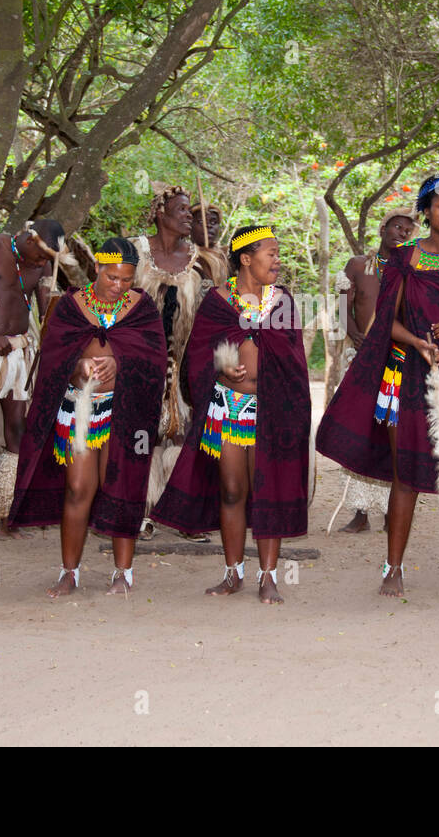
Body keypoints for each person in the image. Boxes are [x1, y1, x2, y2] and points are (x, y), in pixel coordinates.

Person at [316, 173, 439, 600]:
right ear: (426, 211)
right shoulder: (406, 257)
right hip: (408, 373)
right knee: (406, 474)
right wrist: (416, 340)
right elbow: (386, 322)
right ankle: (392, 568)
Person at [150, 225, 312, 604]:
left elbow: (293, 360)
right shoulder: (218, 302)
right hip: (228, 408)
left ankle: (268, 576)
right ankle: (233, 573)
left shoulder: (282, 301)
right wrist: (221, 370)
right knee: (232, 490)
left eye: (277, 253)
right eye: (269, 253)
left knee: (268, 488)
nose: (277, 260)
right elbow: (198, 356)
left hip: (272, 410)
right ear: (245, 258)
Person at [7, 237, 167, 596]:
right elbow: (52, 358)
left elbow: (154, 361)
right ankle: (69, 572)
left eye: (127, 279)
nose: (119, 286)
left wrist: (118, 362)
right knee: (78, 489)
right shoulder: (69, 306)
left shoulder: (141, 308)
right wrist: (77, 366)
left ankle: (123, 573)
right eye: (112, 277)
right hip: (79, 407)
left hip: (125, 411)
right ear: (97, 268)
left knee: (121, 485)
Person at [0, 219, 66, 543]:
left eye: (49, 258)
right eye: (41, 255)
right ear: (30, 239)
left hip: (19, 352)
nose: (42, 263)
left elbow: (48, 310)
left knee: (19, 432)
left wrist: (56, 330)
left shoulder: (44, 264)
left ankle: (9, 516)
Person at [132, 184, 227, 542]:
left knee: (183, 433)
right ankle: (139, 512)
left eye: (191, 210)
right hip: (139, 362)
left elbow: (219, 311)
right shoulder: (137, 251)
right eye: (183, 209)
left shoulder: (202, 259)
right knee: (143, 436)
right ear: (160, 212)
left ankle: (184, 513)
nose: (190, 215)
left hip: (186, 364)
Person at [333, 207, 418, 534]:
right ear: (383, 229)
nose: (402, 233)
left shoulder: (412, 269)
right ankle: (360, 513)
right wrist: (355, 335)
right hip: (362, 358)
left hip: (398, 359)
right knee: (361, 429)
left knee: (393, 431)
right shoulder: (357, 266)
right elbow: (342, 307)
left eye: (408, 230)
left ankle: (389, 512)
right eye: (397, 227)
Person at [191, 198, 228, 284]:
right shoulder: (185, 258)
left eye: (213, 222)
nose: (208, 225)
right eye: (201, 222)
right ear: (189, 226)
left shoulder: (228, 256)